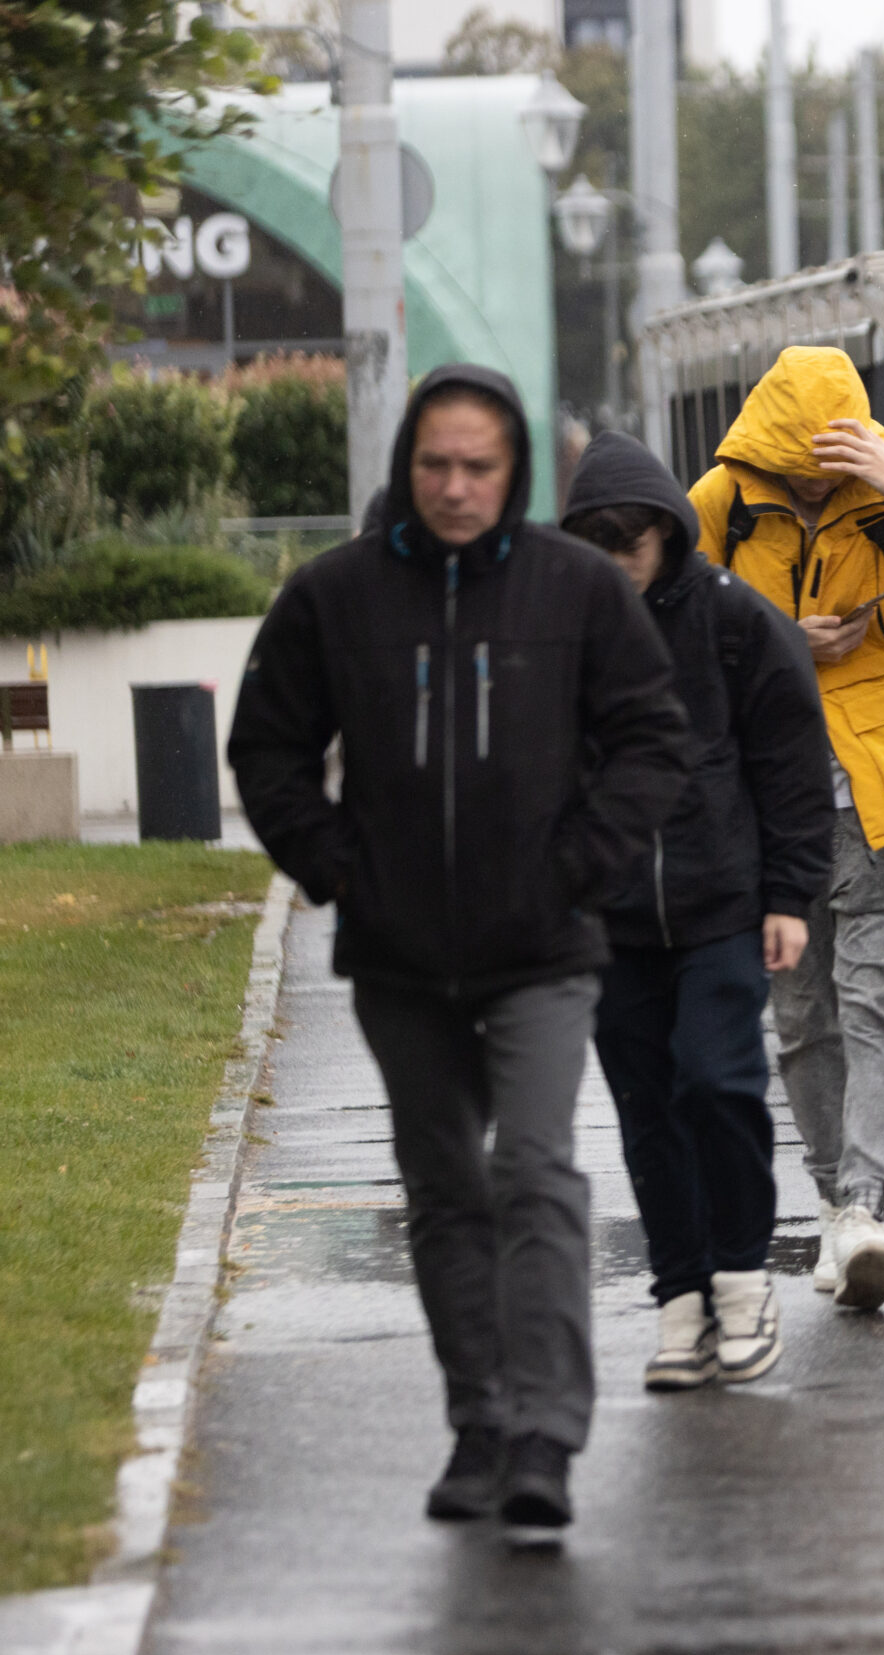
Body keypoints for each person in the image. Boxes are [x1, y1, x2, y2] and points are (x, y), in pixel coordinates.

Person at [228, 366, 691, 1547]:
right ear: (407, 464)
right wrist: (336, 867)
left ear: (513, 469)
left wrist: (581, 863)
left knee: (535, 1172)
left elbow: (651, 737)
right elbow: (268, 746)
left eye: (478, 466)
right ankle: (479, 1423)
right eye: (435, 464)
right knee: (445, 1193)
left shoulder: (576, 587)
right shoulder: (335, 596)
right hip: (399, 957)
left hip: (542, 947)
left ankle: (543, 1434)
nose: (454, 486)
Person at [689, 346, 884, 1314]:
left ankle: (867, 1208)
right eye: (801, 473)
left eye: (830, 471)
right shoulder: (721, 502)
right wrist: (780, 639)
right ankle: (835, 1202)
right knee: (802, 1020)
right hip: (770, 804)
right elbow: (666, 632)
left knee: (878, 1007)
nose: (817, 489)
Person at [560, 432, 835, 1393]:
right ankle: (681, 1301)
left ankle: (743, 1283)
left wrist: (790, 895)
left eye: (629, 546)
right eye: (596, 548)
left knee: (717, 1084)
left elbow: (791, 764)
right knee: (646, 1109)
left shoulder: (733, 619)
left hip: (724, 905)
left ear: (667, 534)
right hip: (608, 918)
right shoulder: (564, 633)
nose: (616, 565)